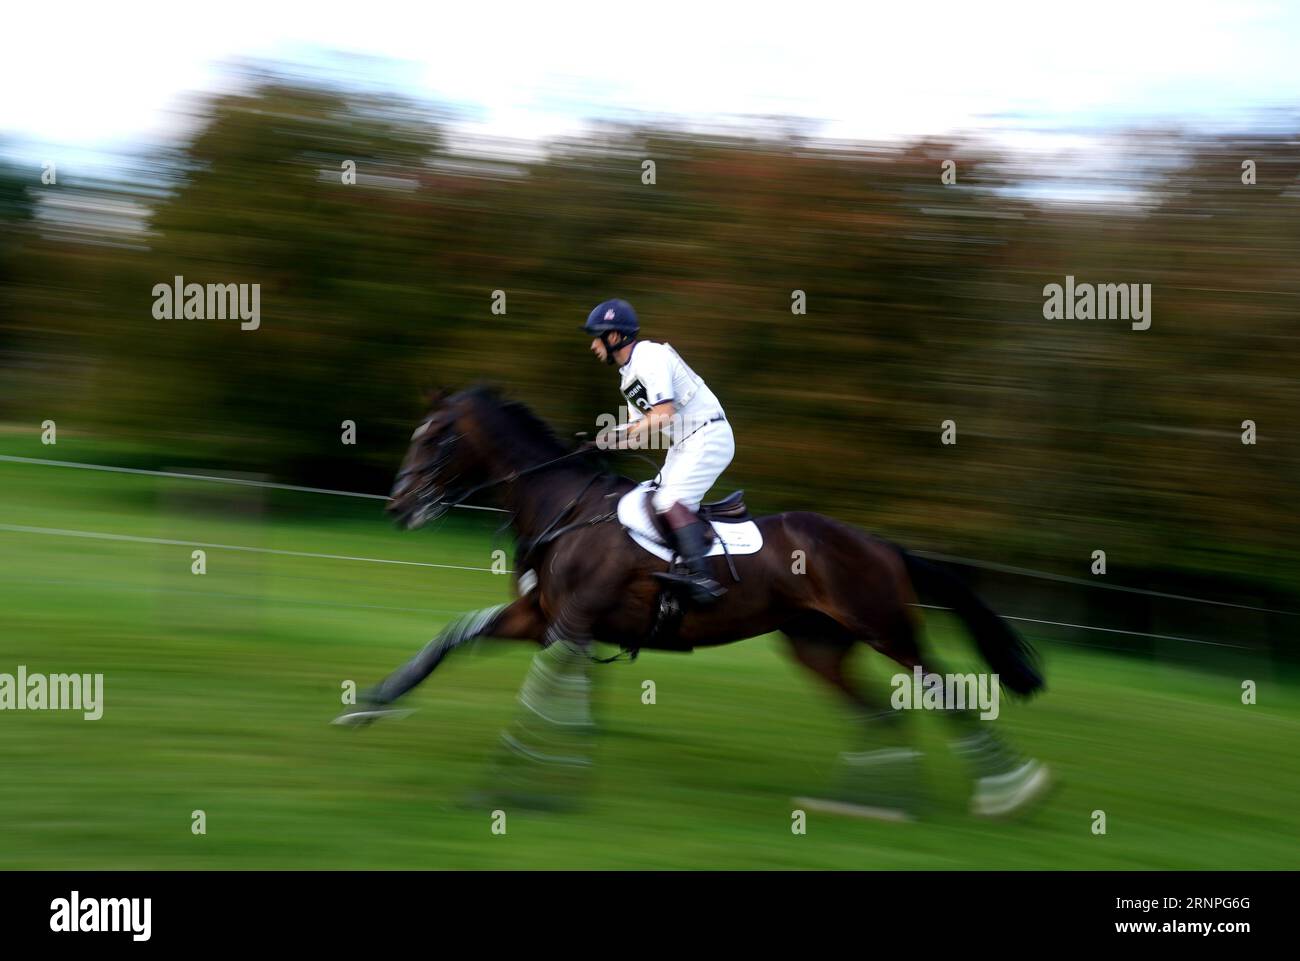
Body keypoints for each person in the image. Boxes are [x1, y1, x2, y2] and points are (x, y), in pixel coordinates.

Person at [583, 298, 734, 604]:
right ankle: (677, 565)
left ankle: (702, 578)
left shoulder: (650, 357)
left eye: (596, 337)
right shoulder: (628, 377)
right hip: (685, 444)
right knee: (646, 498)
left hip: (709, 436)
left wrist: (616, 436)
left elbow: (661, 415)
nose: (593, 346)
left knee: (667, 500)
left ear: (613, 337)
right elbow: (639, 429)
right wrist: (602, 443)